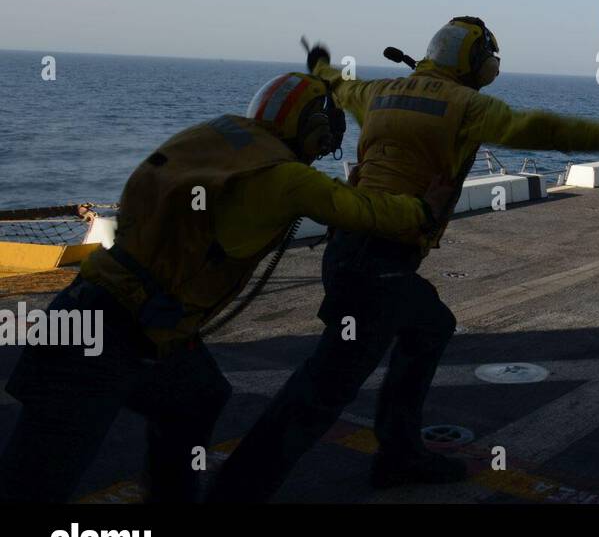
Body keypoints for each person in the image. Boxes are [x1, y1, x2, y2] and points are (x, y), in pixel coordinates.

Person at [209, 18, 599, 501]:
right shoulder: (467, 107)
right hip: (379, 261)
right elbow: (547, 128)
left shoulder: (379, 93)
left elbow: (338, 87)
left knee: (429, 326)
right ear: (472, 59)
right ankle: (237, 491)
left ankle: (398, 451)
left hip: (351, 249)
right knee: (322, 388)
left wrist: (320, 66)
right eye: (488, 56)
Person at [0, 73, 442, 503]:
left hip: (115, 314)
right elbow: (366, 212)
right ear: (309, 127)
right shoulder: (286, 178)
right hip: (105, 337)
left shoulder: (218, 134)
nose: (325, 147)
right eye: (324, 136)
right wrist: (425, 208)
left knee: (198, 396)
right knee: (36, 483)